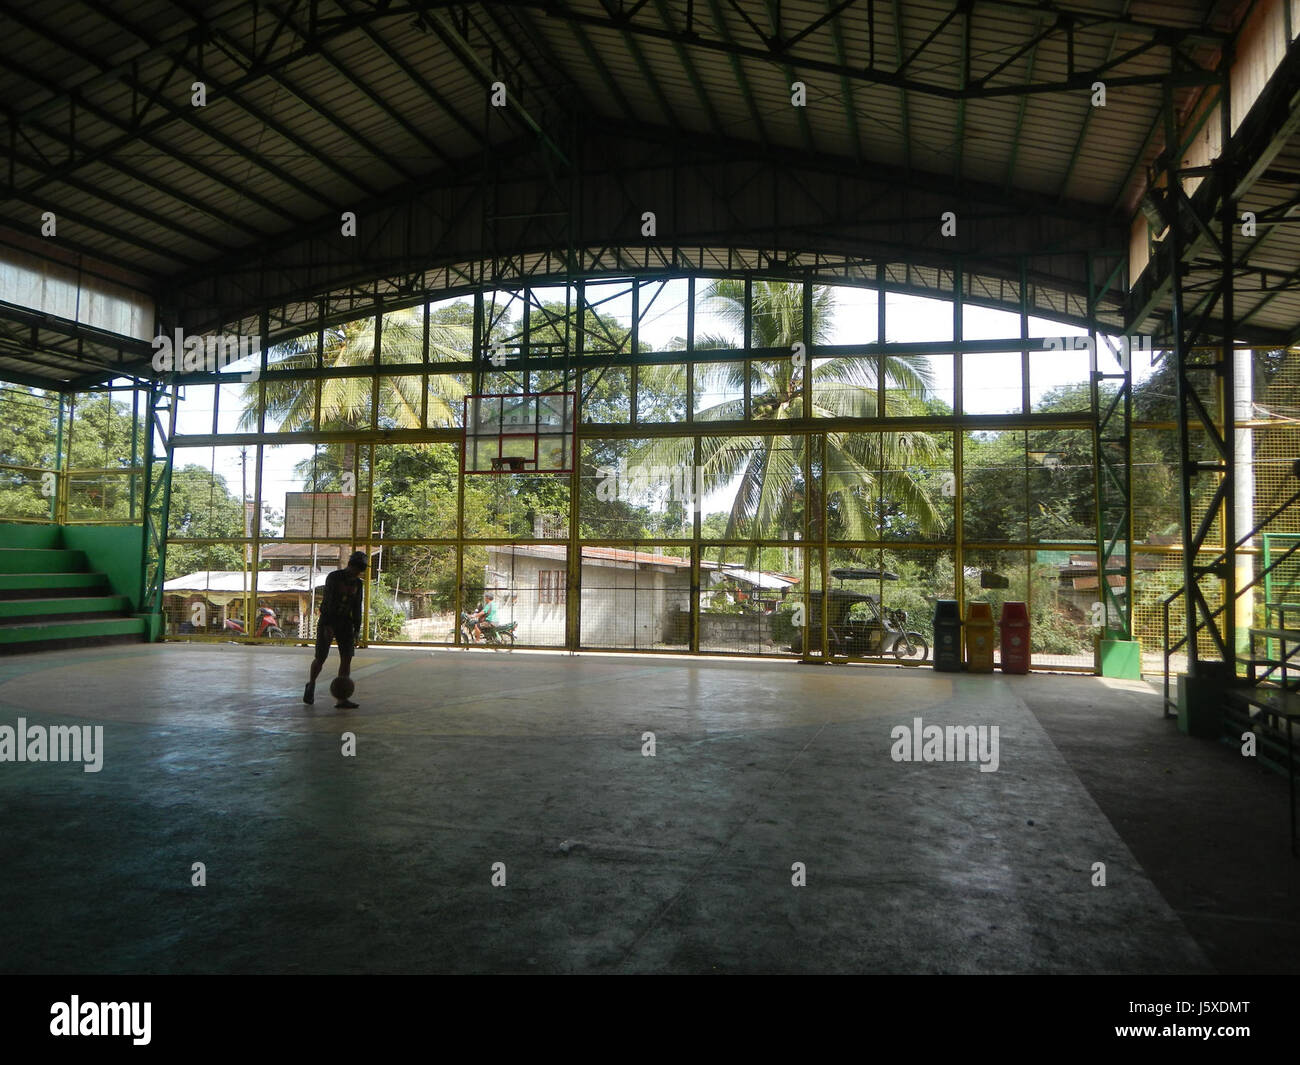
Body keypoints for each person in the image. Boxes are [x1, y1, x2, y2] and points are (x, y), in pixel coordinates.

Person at [303, 550, 367, 708]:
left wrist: (357, 628)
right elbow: (328, 602)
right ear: (351, 565)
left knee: (347, 657)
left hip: (346, 623)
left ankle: (342, 698)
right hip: (328, 621)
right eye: (358, 569)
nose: (359, 573)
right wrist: (328, 625)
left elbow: (357, 607)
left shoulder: (358, 584)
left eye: (361, 570)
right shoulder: (334, 577)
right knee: (321, 657)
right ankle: (311, 684)